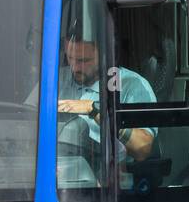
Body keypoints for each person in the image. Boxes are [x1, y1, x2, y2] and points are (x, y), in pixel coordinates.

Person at [53, 33, 156, 162]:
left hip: (110, 174)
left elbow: (143, 149)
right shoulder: (55, 79)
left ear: (104, 56)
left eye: (83, 60)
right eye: (70, 58)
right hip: (58, 169)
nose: (75, 67)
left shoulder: (132, 85)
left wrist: (95, 110)